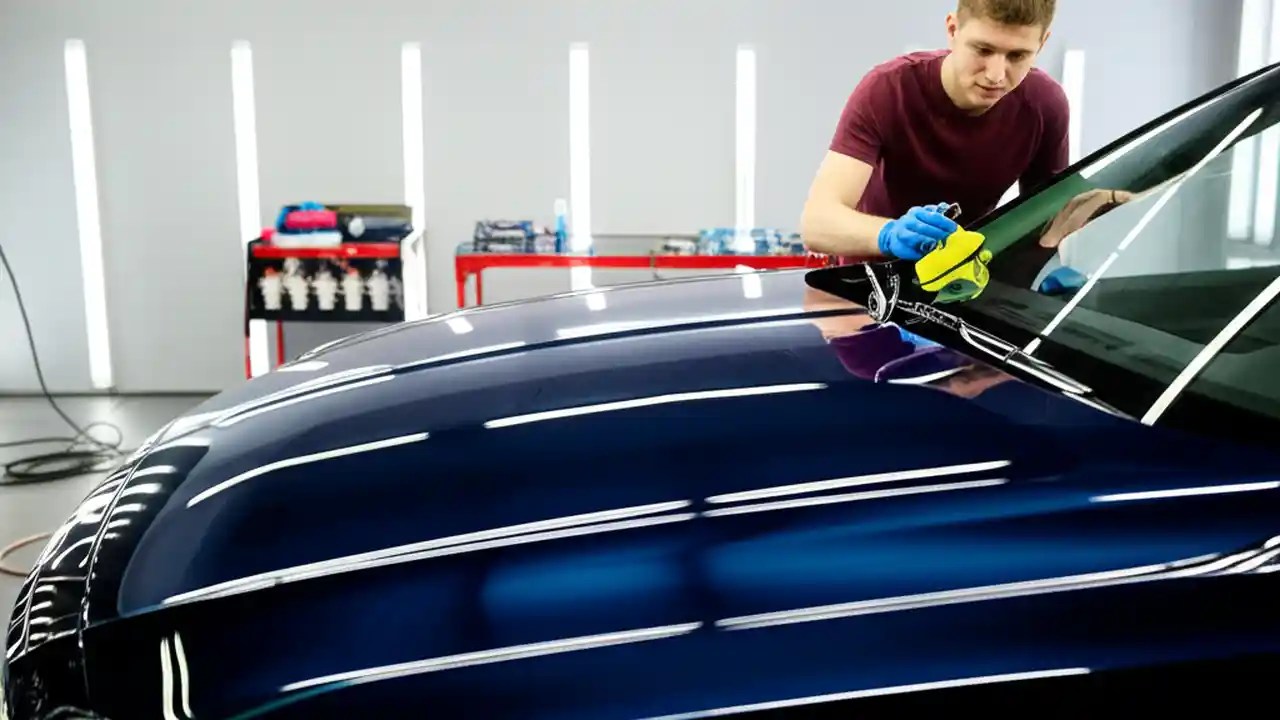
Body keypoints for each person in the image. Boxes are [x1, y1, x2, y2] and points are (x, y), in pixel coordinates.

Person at [800, 0, 1069, 266]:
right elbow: (817, 224)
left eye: (1017, 56)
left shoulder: (1045, 105)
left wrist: (1046, 266)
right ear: (953, 29)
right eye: (983, 50)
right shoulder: (888, 89)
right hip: (869, 280)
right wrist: (889, 235)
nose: (996, 75)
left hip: (965, 279)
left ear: (1042, 43)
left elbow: (1045, 220)